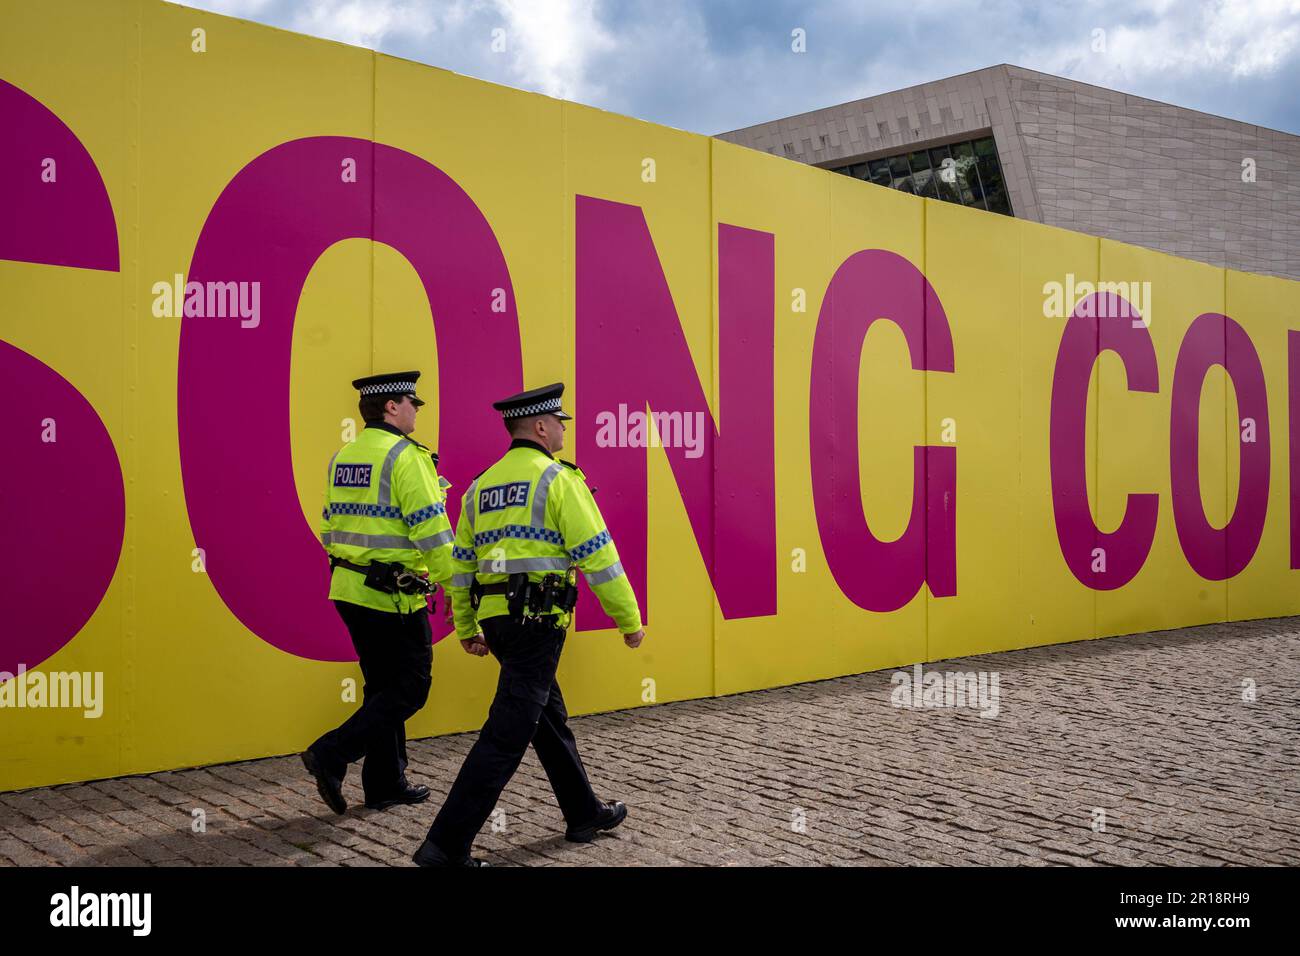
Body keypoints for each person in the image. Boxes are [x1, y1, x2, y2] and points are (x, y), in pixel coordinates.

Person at [412, 382, 646, 867]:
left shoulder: (481, 486)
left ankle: (583, 813)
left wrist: (467, 625)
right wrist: (629, 619)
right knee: (506, 733)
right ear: (540, 427)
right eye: (559, 421)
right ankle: (445, 845)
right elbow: (598, 555)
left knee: (546, 717)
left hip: (499, 623)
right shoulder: (558, 480)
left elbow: (461, 565)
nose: (563, 428)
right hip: (539, 622)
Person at [301, 371, 455, 814]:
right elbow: (434, 533)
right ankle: (331, 753)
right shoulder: (406, 458)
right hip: (392, 595)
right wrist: (457, 588)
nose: (417, 409)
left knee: (382, 687)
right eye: (412, 402)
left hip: (349, 590)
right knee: (410, 689)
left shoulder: (344, 455)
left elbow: (329, 525)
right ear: (391, 406)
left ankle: (386, 782)